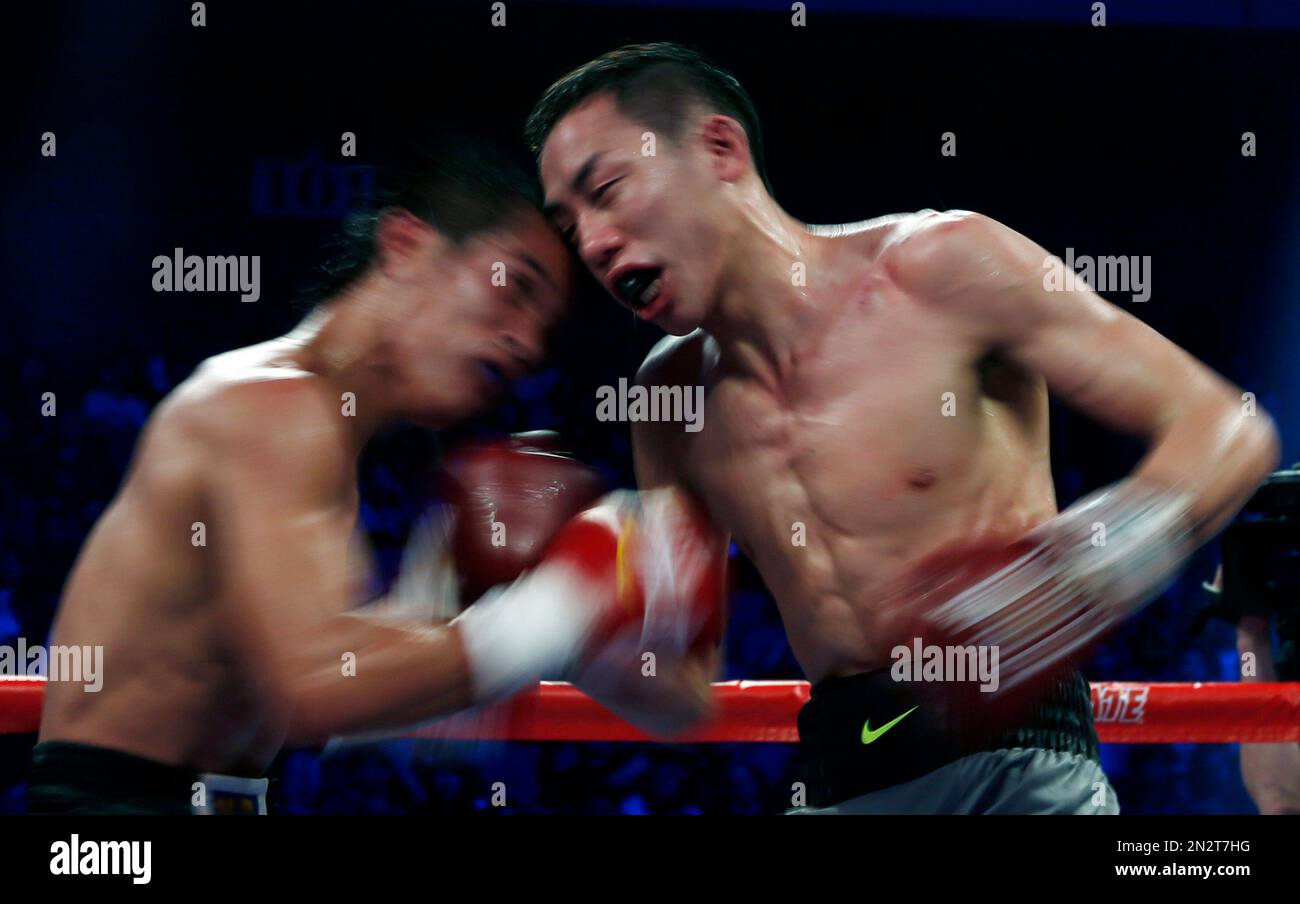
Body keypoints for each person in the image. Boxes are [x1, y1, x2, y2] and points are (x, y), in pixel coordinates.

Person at [525, 43, 1281, 813]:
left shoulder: (940, 268)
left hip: (1019, 773)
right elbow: (681, 692)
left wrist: (1081, 568)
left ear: (720, 149)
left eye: (608, 190)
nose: (592, 242)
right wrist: (570, 623)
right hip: (837, 785)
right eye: (569, 224)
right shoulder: (671, 393)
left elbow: (1226, 428)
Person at [29, 141, 715, 815]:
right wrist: (559, 607)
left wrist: (507, 626)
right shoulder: (266, 406)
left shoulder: (320, 428)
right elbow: (314, 685)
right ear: (405, 246)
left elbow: (307, 687)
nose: (526, 342)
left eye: (543, 324)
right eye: (515, 287)